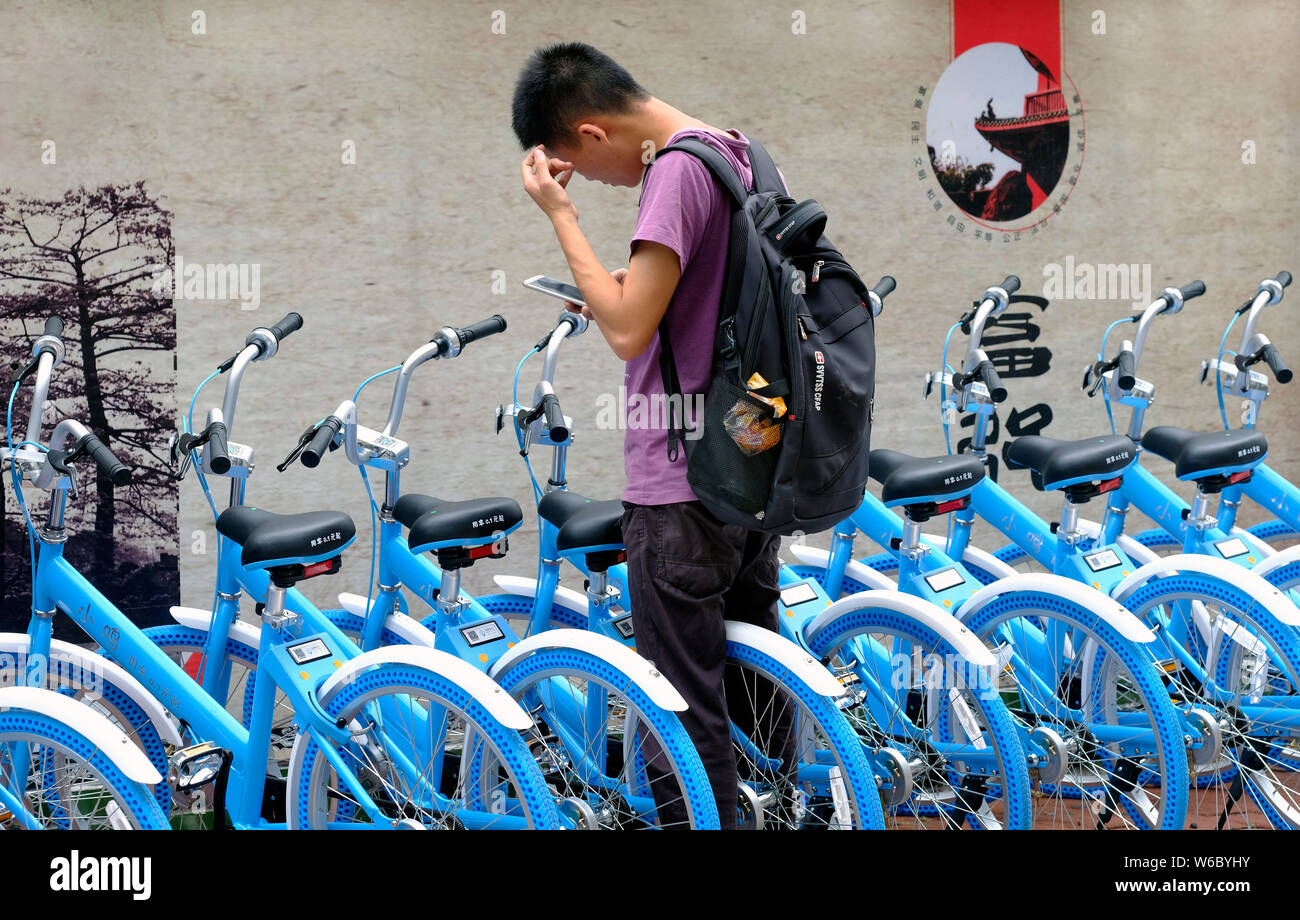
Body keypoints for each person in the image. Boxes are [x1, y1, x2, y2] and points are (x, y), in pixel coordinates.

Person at [513, 42, 794, 829]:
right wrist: (621, 292)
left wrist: (561, 217)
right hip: (750, 462)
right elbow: (707, 304)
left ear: (592, 132)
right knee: (754, 699)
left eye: (583, 166)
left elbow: (630, 331)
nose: (601, 182)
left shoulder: (671, 172)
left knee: (680, 716)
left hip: (680, 484)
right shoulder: (741, 155)